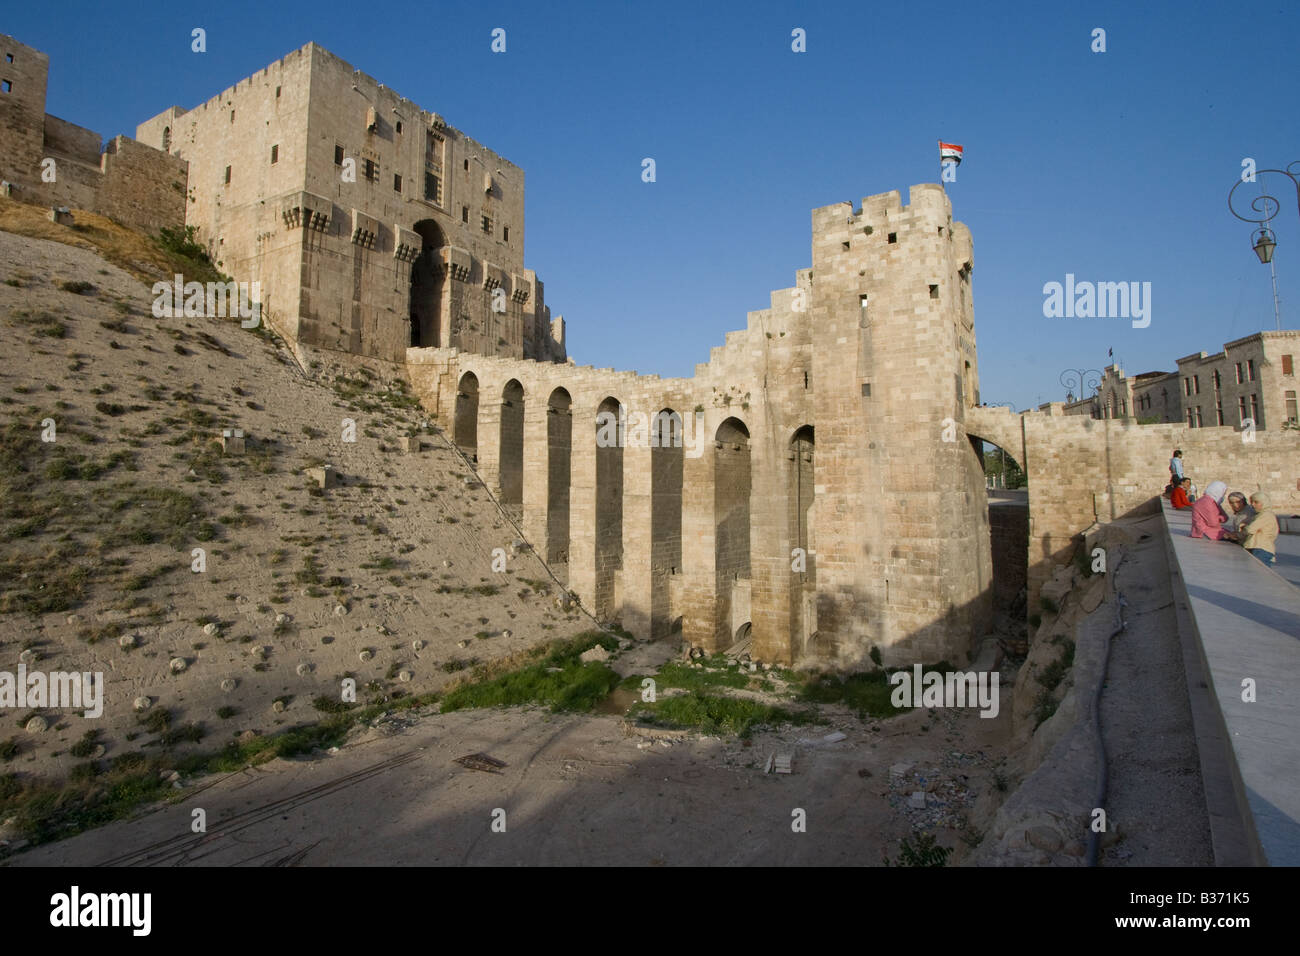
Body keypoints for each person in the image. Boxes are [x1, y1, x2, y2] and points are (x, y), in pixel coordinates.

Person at [1234, 492, 1278, 565]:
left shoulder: (1267, 515)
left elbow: (1250, 529)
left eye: (1256, 502)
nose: (1253, 505)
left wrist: (1238, 534)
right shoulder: (1259, 515)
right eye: (1251, 502)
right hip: (1256, 547)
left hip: (1261, 549)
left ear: (1264, 502)